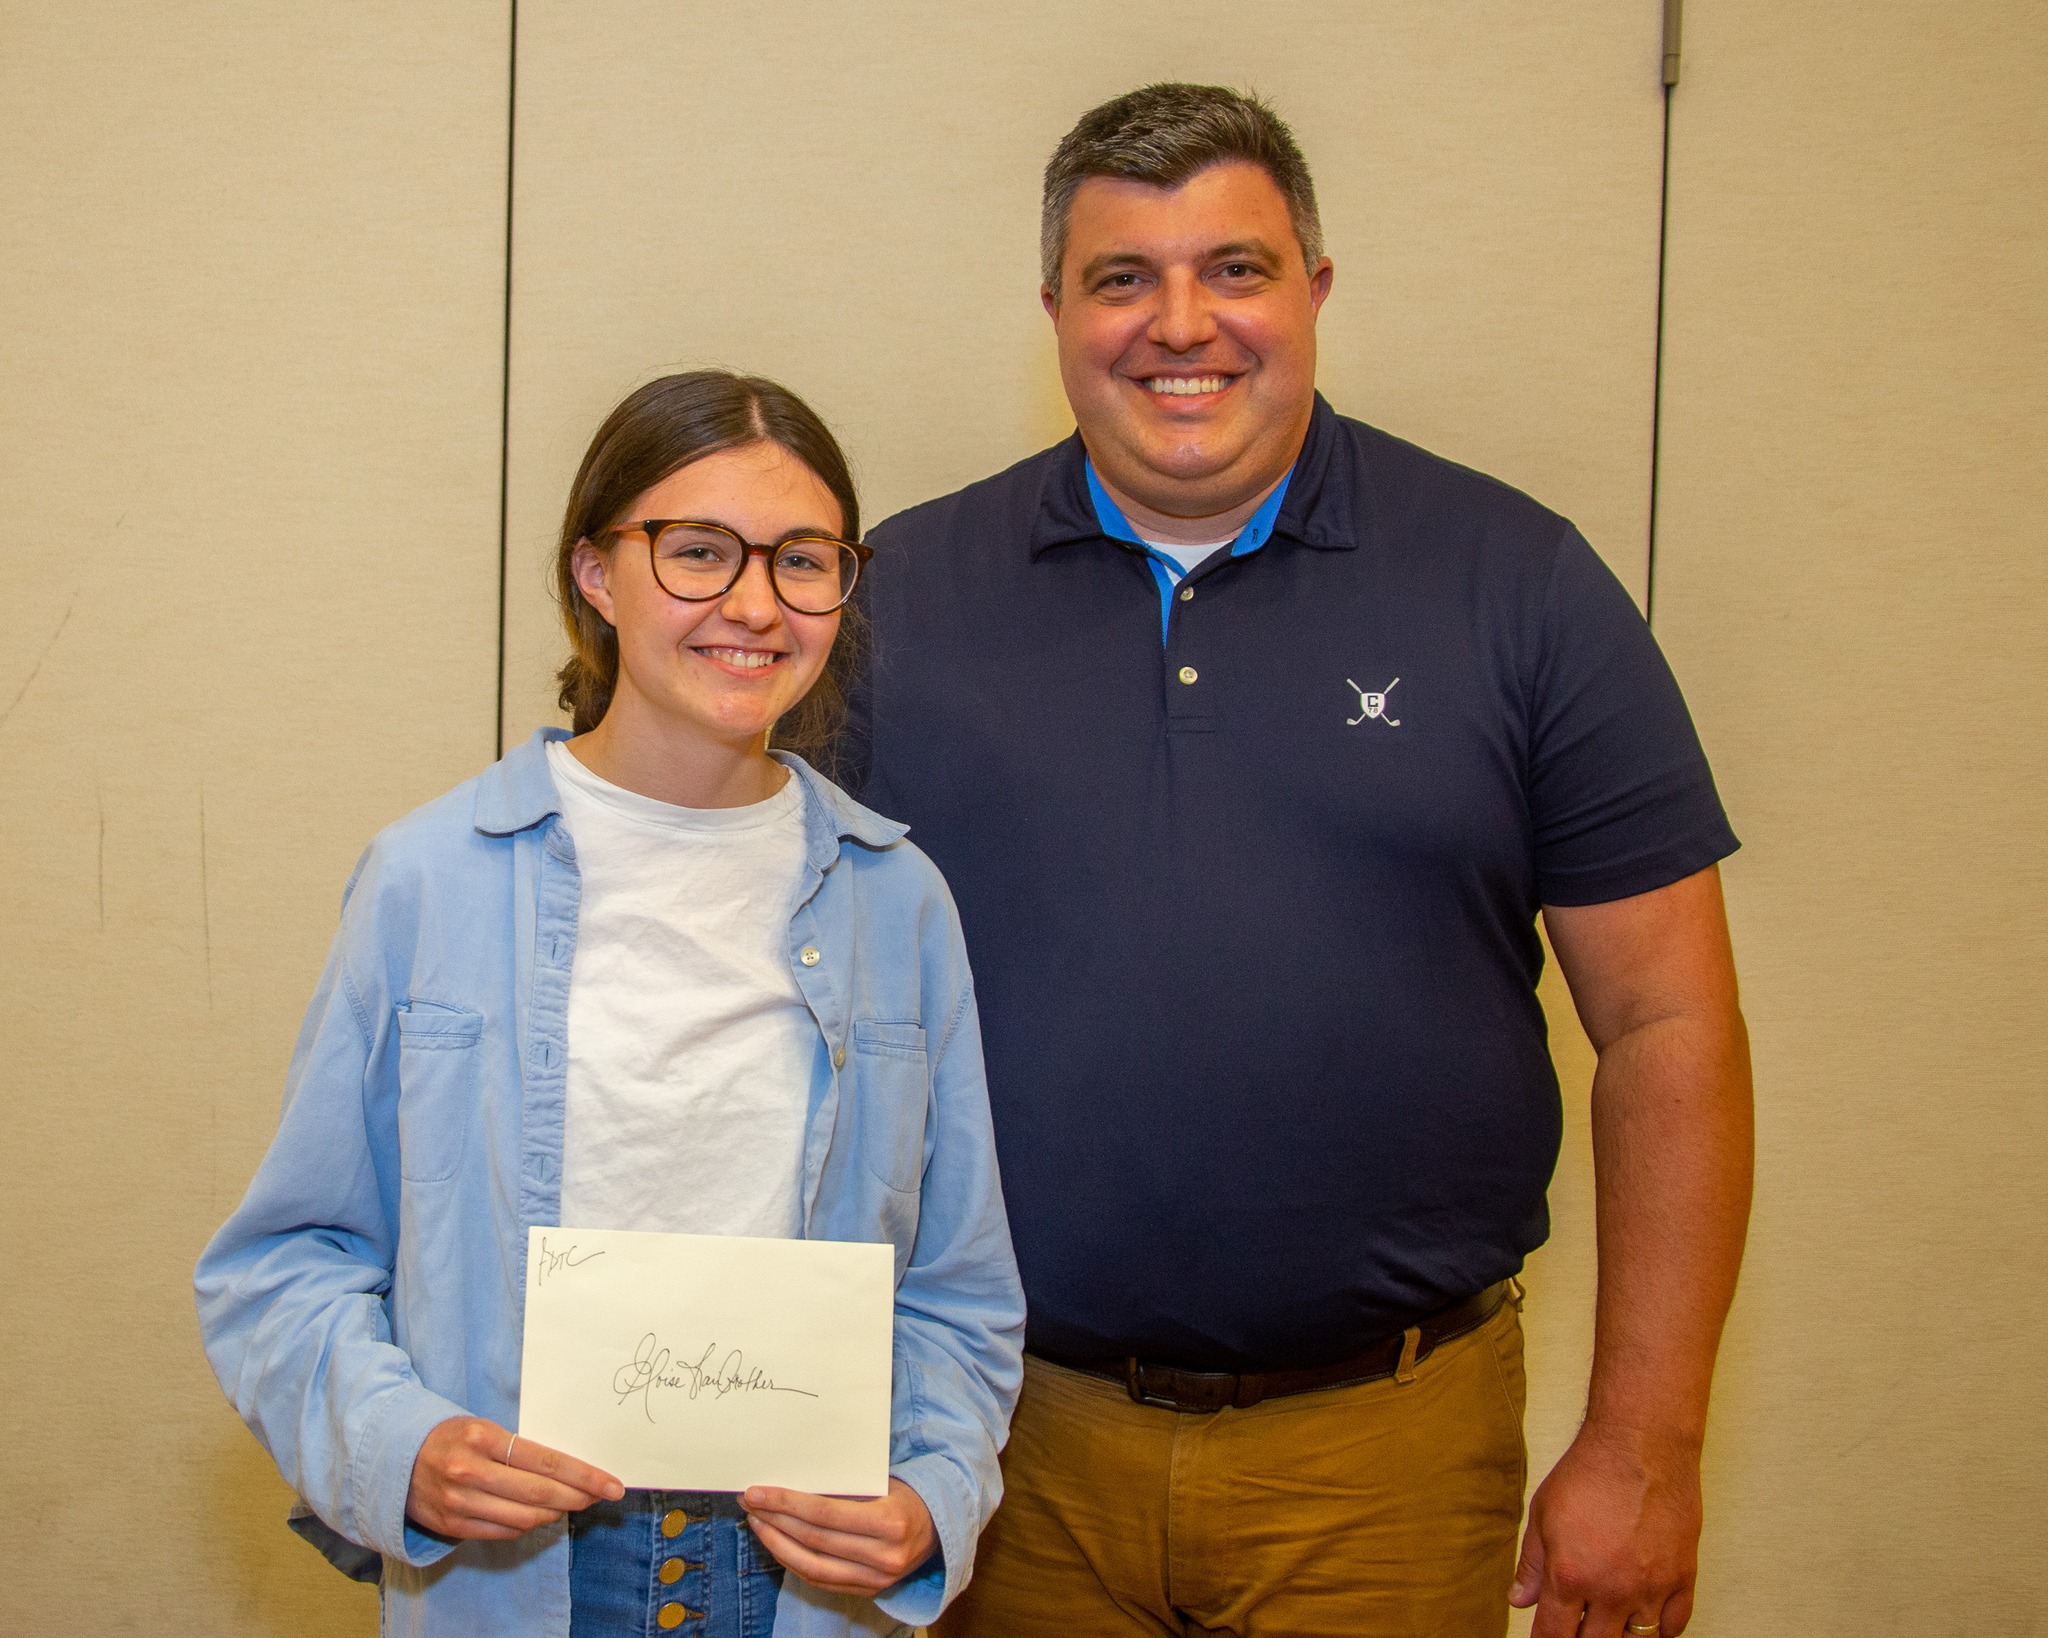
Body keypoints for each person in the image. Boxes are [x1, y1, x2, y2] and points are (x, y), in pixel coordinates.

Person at [847, 85, 1753, 1638]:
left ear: (1315, 293)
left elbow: (1670, 1029)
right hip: (996, 1441)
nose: (1179, 323)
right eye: (1122, 277)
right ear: (1054, 309)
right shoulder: (891, 601)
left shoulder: (1516, 583)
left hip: (1385, 1454)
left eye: (1237, 269)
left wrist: (1648, 1445)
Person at [196, 371, 1025, 1638]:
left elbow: (959, 1297)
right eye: (696, 552)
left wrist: (930, 1490)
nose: (754, 604)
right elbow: (284, 1267)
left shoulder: (896, 903)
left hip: (800, 1582)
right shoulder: (430, 880)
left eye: (801, 561)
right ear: (595, 573)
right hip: (516, 1571)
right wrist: (399, 1445)